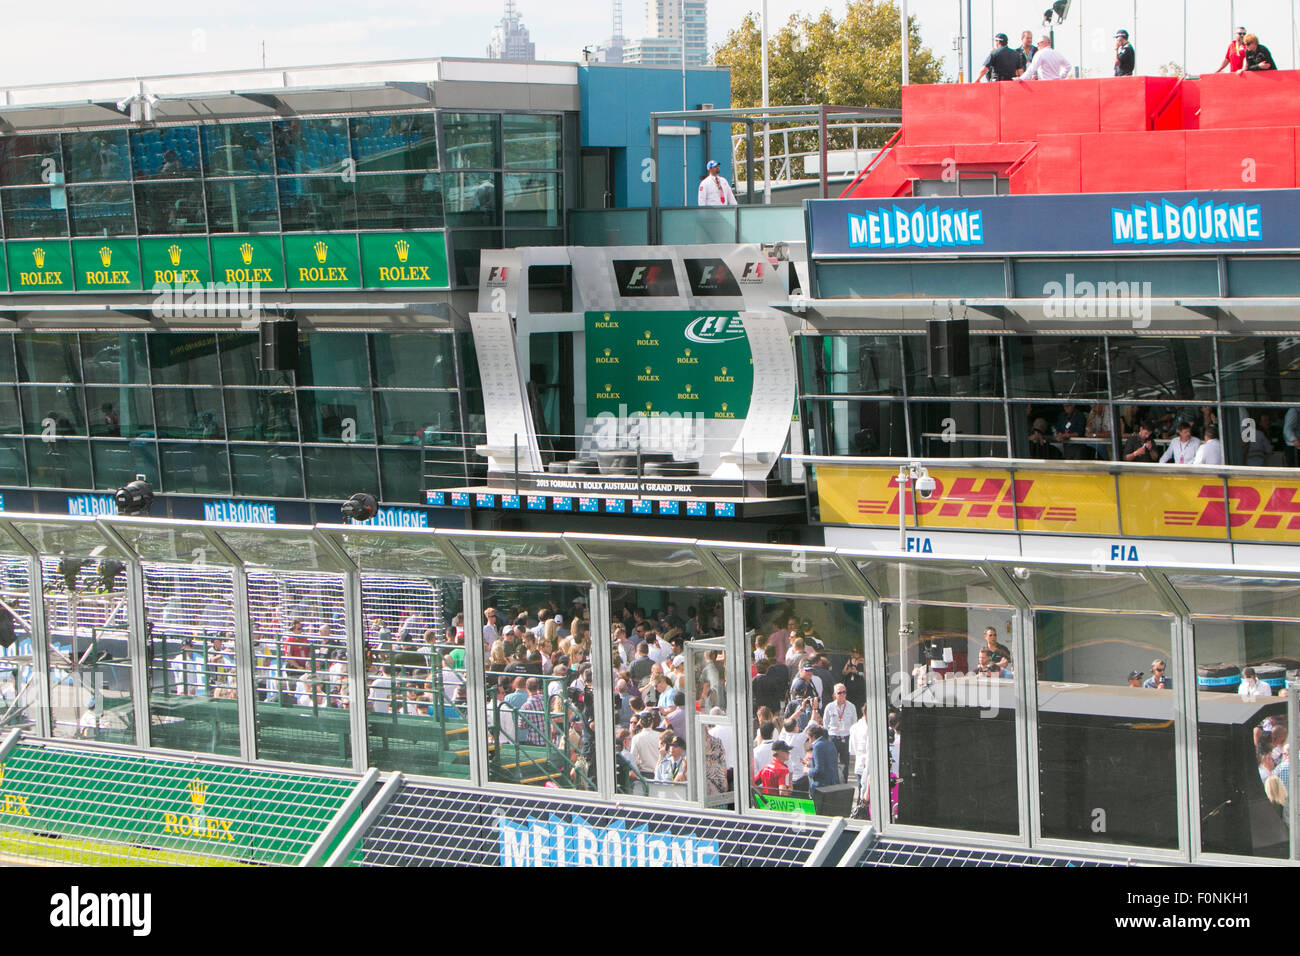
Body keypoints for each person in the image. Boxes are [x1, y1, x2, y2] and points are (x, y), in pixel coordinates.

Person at [822, 683, 856, 777]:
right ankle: (833, 781)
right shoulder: (829, 707)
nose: (842, 695)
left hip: (846, 736)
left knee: (845, 763)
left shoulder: (851, 706)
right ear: (834, 694)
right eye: (839, 692)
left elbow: (854, 724)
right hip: (833, 737)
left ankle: (844, 782)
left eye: (844, 692)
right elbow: (825, 724)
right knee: (832, 762)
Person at [805, 723, 840, 795]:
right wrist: (811, 763)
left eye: (808, 738)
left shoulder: (817, 746)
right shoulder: (830, 743)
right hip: (833, 783)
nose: (809, 741)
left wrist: (808, 771)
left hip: (821, 786)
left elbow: (819, 769)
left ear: (813, 736)